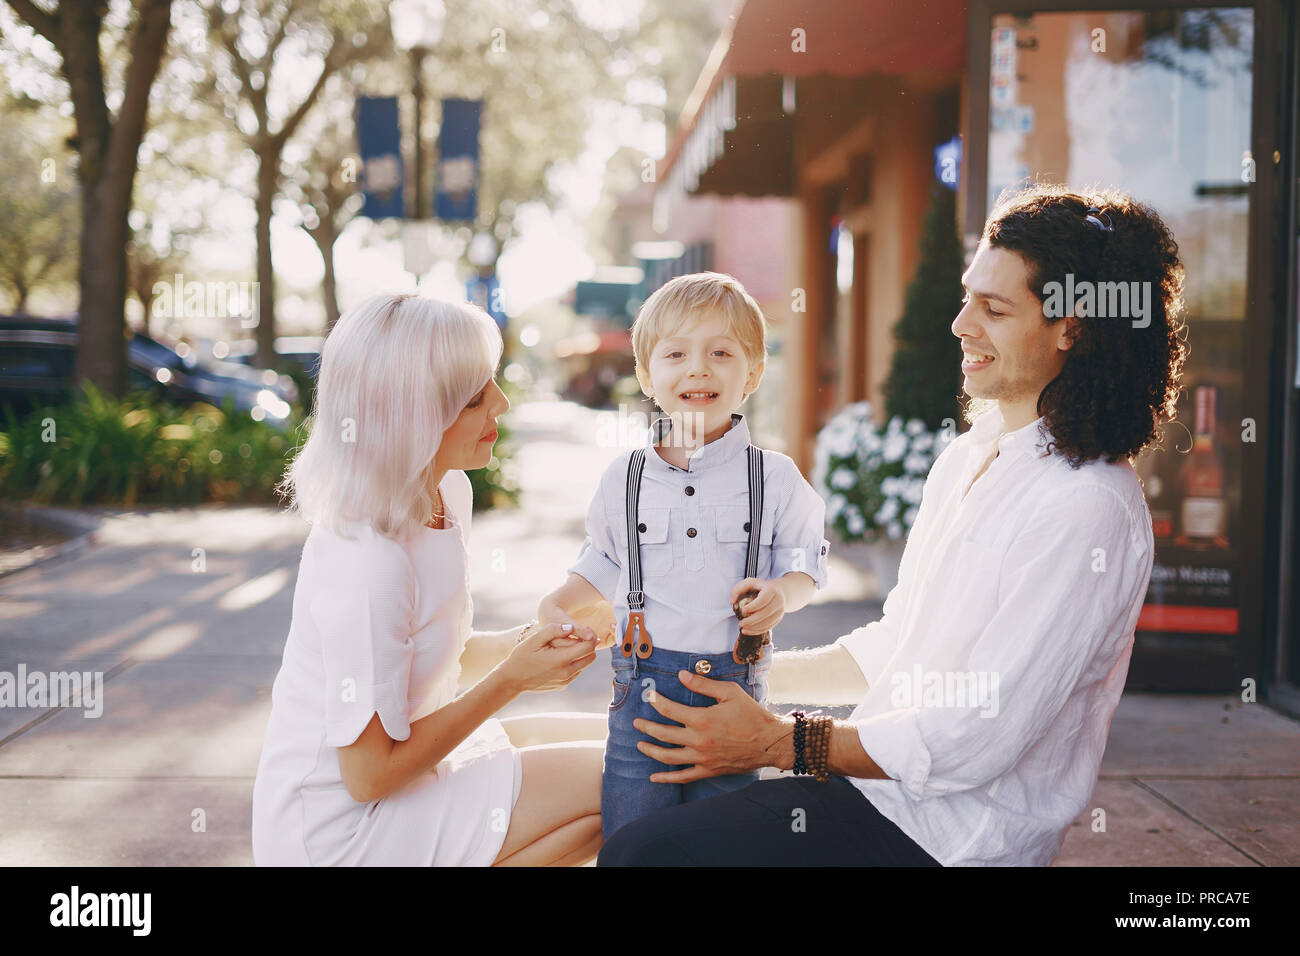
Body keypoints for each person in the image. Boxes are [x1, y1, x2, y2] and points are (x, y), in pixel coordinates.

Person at [598, 184, 1188, 866]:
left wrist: (771, 741)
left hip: (949, 842)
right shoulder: (973, 454)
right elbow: (898, 646)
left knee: (646, 855)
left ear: (1072, 327)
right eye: (969, 298)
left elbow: (975, 736)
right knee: (614, 799)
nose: (961, 325)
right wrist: (714, 679)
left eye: (993, 309)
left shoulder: (1088, 506)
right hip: (873, 792)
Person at [251, 293, 606, 867]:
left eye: (490, 381)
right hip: (343, 830)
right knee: (635, 779)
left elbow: (438, 656)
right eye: (474, 399)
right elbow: (368, 775)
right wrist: (512, 681)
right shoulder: (367, 559)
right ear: (411, 417)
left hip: (409, 779)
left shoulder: (447, 493)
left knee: (628, 759)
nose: (502, 402)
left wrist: (536, 641)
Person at [538, 272, 831, 840]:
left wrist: (781, 594)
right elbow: (603, 558)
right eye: (676, 354)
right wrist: (560, 602)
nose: (699, 368)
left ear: (753, 373)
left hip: (733, 690)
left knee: (724, 839)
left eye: (720, 352)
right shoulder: (625, 477)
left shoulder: (774, 477)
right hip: (639, 690)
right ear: (648, 376)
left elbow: (805, 562)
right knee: (632, 833)